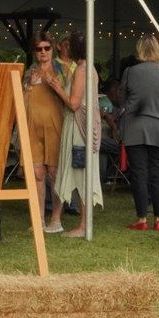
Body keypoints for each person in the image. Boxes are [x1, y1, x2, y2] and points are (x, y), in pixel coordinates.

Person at [118, 34, 159, 232]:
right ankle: (158, 219)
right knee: (157, 174)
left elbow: (122, 99)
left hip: (135, 127)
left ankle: (142, 218)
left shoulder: (130, 72)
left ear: (139, 50)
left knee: (139, 174)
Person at [52, 32, 102, 237]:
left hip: (79, 130)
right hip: (81, 127)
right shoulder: (87, 68)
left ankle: (83, 225)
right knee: (79, 172)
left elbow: (74, 104)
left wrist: (58, 89)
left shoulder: (82, 70)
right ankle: (79, 223)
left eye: (68, 45)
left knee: (81, 173)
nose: (65, 49)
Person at [20, 35, 67, 231]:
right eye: (39, 49)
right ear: (34, 52)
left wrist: (57, 86)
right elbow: (21, 101)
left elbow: (71, 99)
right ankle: (38, 219)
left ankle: (56, 219)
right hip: (33, 128)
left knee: (55, 173)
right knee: (37, 174)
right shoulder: (29, 72)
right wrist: (29, 85)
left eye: (47, 48)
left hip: (56, 126)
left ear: (53, 49)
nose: (43, 52)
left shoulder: (62, 70)